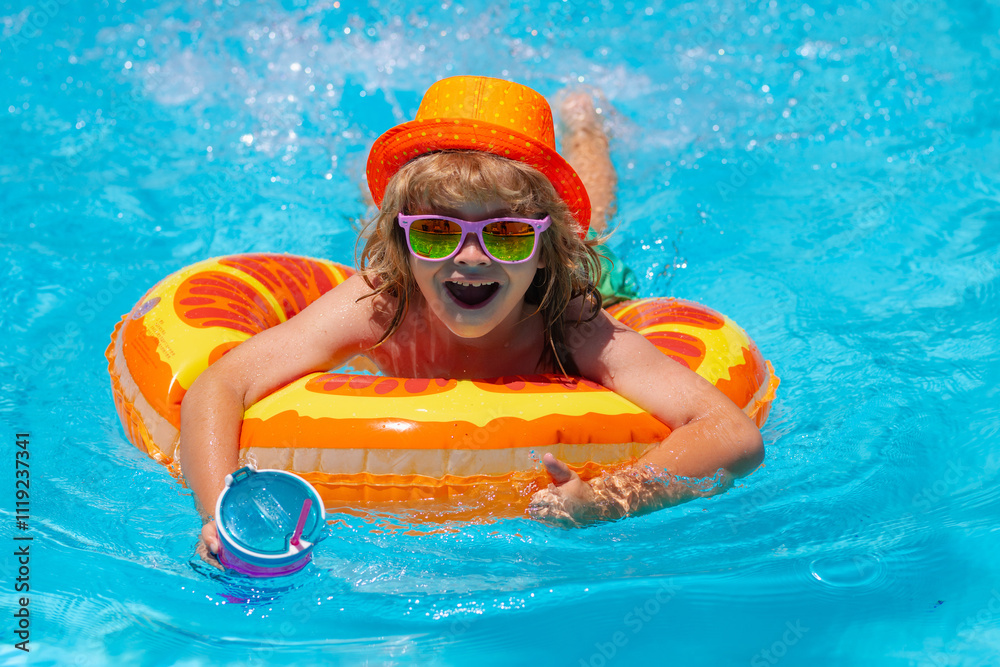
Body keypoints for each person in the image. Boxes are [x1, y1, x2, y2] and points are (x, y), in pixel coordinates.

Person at [180, 76, 763, 555]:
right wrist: (219, 515)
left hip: (584, 276)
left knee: (600, 220)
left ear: (543, 249)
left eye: (506, 233)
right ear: (404, 244)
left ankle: (586, 123)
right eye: (437, 231)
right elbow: (221, 384)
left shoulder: (571, 324)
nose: (471, 256)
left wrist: (611, 498)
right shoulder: (381, 304)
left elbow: (731, 433)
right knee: (391, 208)